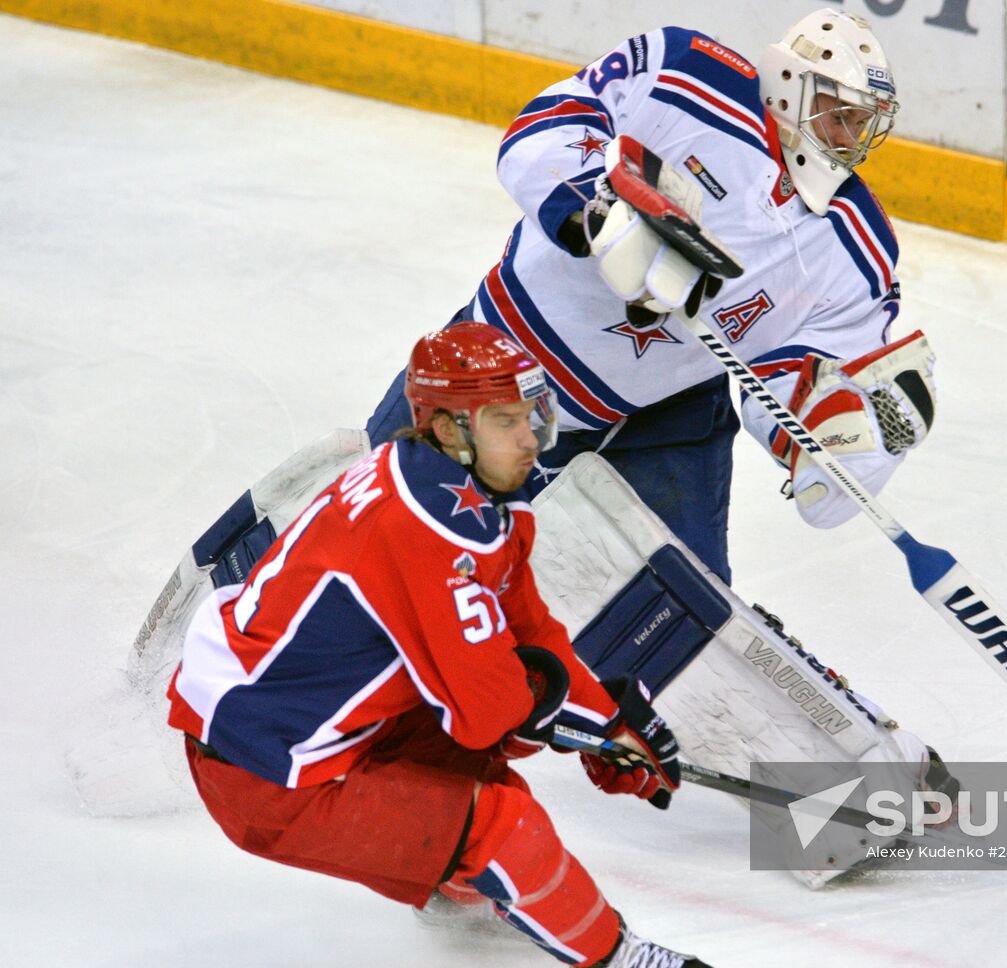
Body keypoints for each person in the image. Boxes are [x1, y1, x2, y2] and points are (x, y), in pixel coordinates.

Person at [166, 325, 711, 968]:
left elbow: (528, 632)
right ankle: (622, 960)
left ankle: (456, 886)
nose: (531, 437)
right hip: (268, 774)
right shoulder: (429, 532)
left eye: (532, 413)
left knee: (487, 777)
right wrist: (556, 718)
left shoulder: (442, 484)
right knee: (509, 826)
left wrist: (608, 721)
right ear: (450, 430)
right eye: (505, 420)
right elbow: (487, 715)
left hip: (294, 719)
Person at [365, 7, 937, 587]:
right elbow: (546, 128)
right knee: (371, 545)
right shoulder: (685, 70)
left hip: (668, 415)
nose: (849, 138)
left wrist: (841, 445)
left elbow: (795, 385)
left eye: (860, 123)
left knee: (689, 615)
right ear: (789, 84)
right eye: (835, 114)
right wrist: (597, 213)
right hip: (497, 360)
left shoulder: (858, 246)